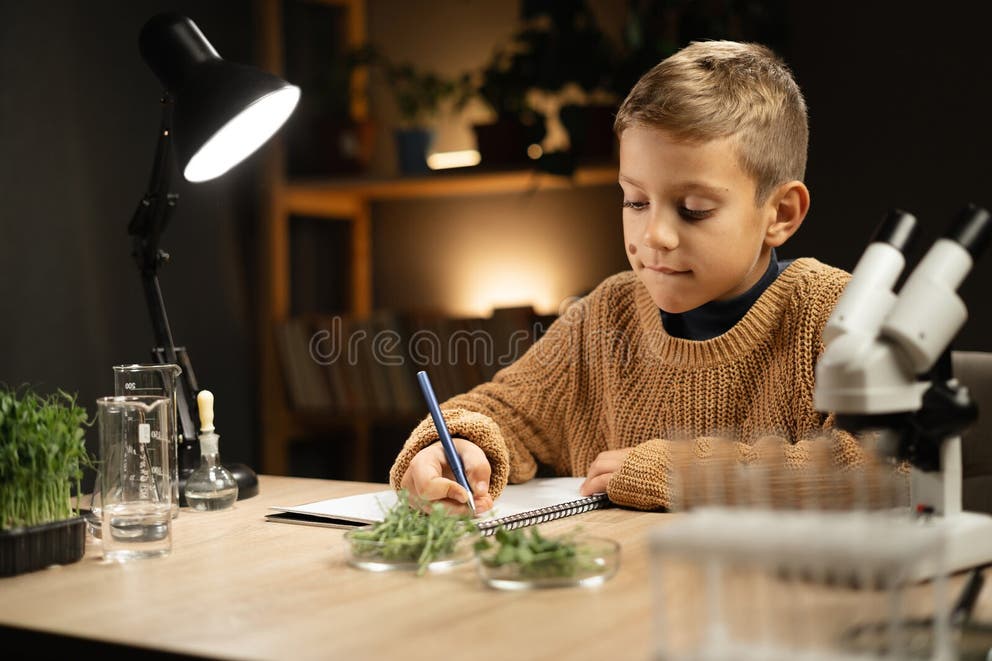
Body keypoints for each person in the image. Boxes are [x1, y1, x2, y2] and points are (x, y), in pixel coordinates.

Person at [389, 40, 873, 514]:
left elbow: (887, 466)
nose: (655, 234)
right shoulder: (607, 314)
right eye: (635, 202)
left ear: (781, 214)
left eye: (694, 210)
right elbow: (504, 411)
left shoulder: (833, 311)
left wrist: (693, 475)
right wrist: (458, 446)